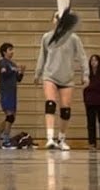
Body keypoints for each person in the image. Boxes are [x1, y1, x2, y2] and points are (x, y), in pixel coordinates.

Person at [36, 13, 89, 150]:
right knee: (50, 103)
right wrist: (38, 74)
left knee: (65, 110)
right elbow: (42, 56)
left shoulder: (73, 38)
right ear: (53, 21)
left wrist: (86, 74)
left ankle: (61, 139)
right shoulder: (47, 37)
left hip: (67, 78)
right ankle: (50, 138)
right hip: (50, 76)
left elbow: (82, 57)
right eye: (56, 17)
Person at [0, 42, 24, 142]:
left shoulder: (13, 64)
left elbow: (18, 79)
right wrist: (13, 70)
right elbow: (4, 74)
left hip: (13, 93)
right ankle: (6, 137)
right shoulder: (2, 62)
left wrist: (21, 72)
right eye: (10, 50)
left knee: (12, 117)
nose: (12, 52)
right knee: (10, 116)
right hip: (5, 92)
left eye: (12, 49)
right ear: (4, 52)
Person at [84, 54, 100, 148]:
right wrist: (91, 88)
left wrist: (91, 87)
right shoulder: (87, 74)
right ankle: (92, 142)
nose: (93, 62)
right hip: (89, 102)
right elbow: (85, 88)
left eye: (95, 60)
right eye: (92, 60)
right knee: (91, 123)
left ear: (99, 62)